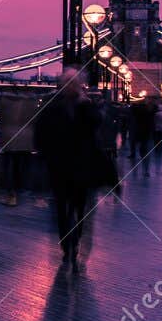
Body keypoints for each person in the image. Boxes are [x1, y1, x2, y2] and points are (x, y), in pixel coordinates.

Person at [34, 68, 111, 275]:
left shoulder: (85, 106)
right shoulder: (53, 106)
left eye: (74, 84)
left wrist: (87, 103)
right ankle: (66, 244)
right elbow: (41, 132)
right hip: (61, 167)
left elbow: (97, 124)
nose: (70, 87)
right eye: (68, 83)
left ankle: (73, 241)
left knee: (77, 208)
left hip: (79, 167)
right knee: (62, 208)